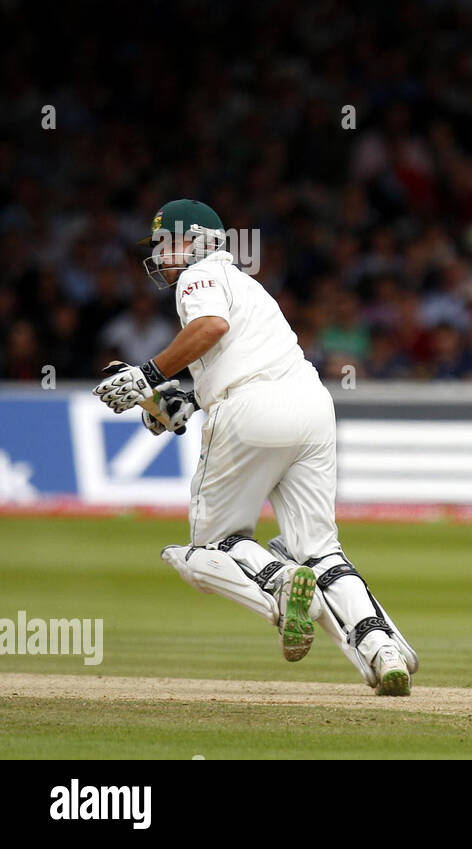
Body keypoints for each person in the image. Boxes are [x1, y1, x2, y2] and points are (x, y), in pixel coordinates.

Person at [91, 199, 419, 695]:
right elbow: (193, 391)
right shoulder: (247, 286)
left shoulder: (198, 277)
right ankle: (382, 648)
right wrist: (162, 402)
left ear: (196, 241)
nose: (159, 256)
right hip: (310, 405)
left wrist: (147, 373)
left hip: (250, 408)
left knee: (205, 550)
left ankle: (280, 584)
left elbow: (210, 329)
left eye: (164, 243)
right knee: (321, 550)